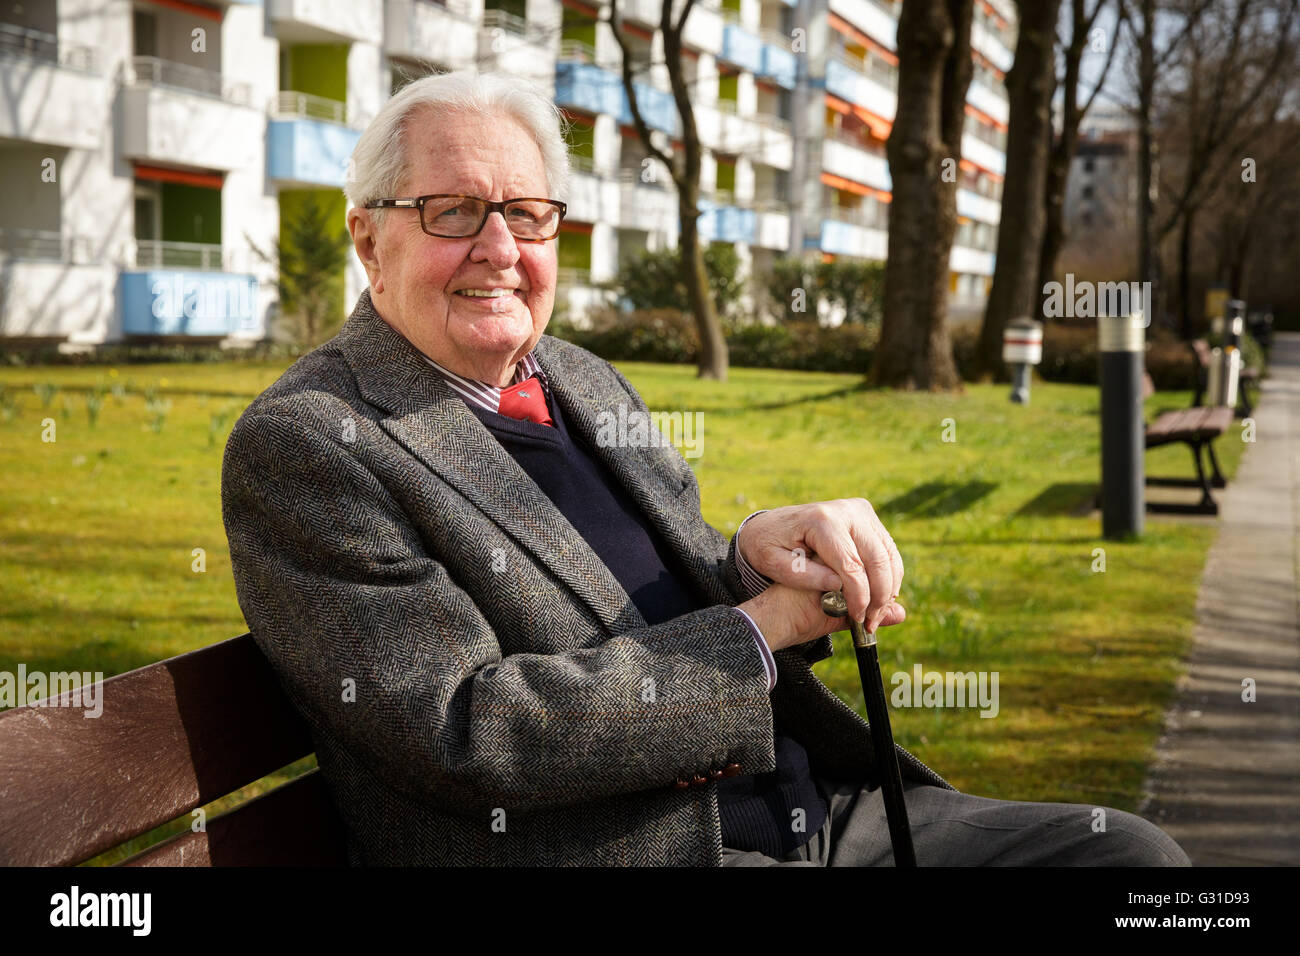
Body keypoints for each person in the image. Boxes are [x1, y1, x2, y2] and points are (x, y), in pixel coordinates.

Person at [220, 70, 1189, 867]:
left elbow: (639, 602)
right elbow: (468, 726)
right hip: (642, 848)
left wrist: (756, 564)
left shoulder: (578, 377)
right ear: (367, 239)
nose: (501, 248)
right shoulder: (312, 442)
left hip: (822, 801)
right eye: (452, 210)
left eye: (527, 212)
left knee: (1131, 860)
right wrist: (757, 629)